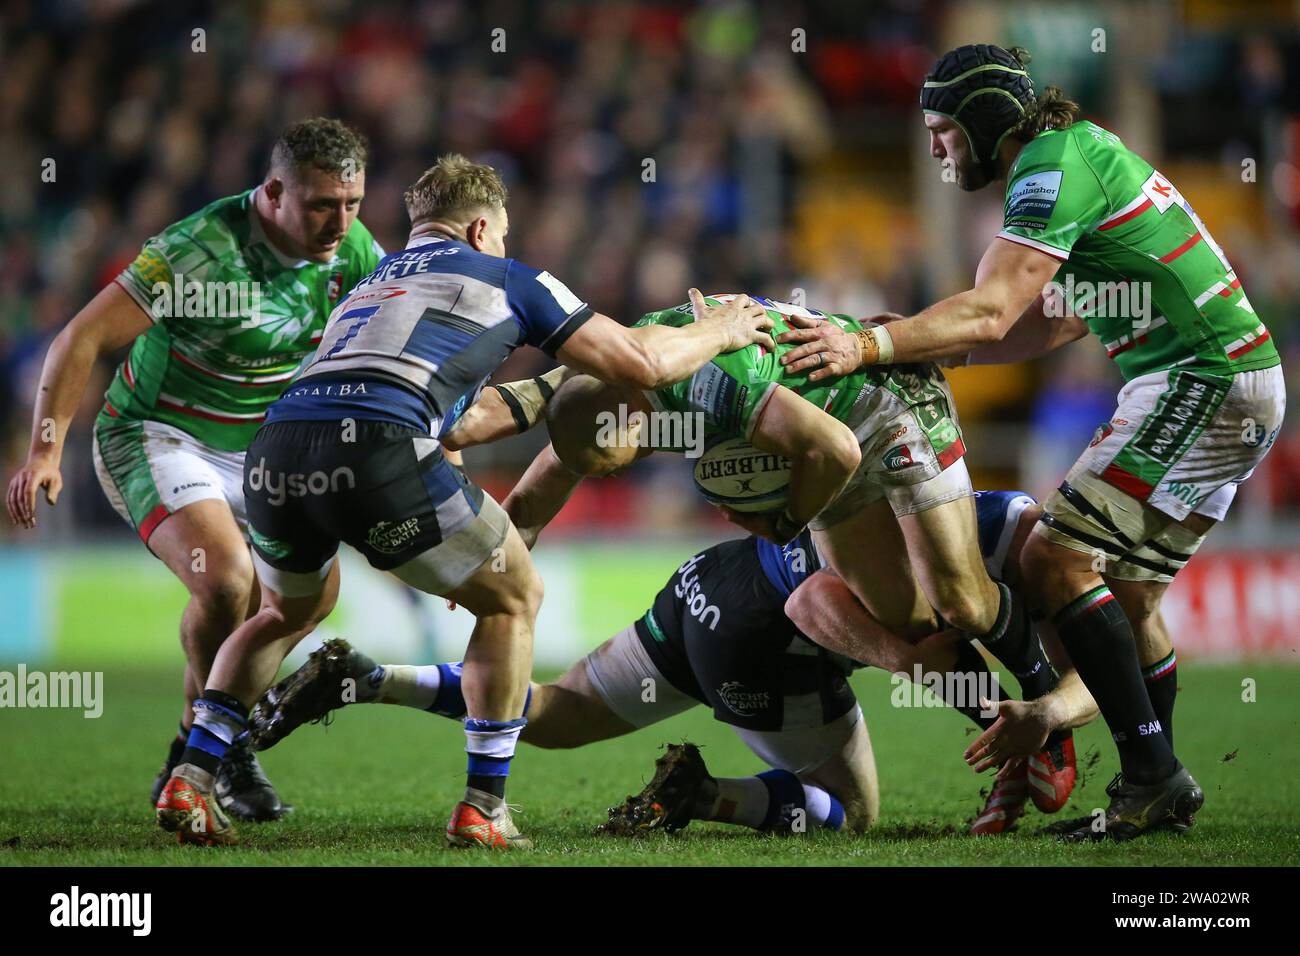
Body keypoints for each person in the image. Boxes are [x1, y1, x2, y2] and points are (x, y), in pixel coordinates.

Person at [152, 153, 775, 849]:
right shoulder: (512, 278)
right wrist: (724, 329)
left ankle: (192, 778)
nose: (505, 245)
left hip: (278, 446)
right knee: (512, 598)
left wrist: (470, 502)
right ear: (482, 229)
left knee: (281, 613)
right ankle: (484, 808)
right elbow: (644, 362)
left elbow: (460, 419)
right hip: (378, 450)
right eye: (503, 234)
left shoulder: (370, 283)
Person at [775, 43, 1287, 840]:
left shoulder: (1048, 167)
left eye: (944, 129)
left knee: (1053, 557)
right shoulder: (1079, 155)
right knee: (1137, 595)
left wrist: (869, 347)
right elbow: (1058, 318)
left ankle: (1152, 774)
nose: (936, 148)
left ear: (984, 122)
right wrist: (920, 343)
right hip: (1231, 376)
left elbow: (990, 309)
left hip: (1199, 377)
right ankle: (1154, 785)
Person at [247, 486, 1095, 837]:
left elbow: (1061, 669)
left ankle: (366, 677)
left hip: (702, 585)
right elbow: (818, 604)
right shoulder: (976, 545)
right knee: (852, 812)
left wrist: (1037, 717)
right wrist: (915, 664)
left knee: (551, 718)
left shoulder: (979, 521)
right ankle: (704, 792)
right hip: (763, 639)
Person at [5, 117, 383, 822]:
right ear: (273, 191)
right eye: (323, 204)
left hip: (261, 447)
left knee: (309, 597)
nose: (341, 222)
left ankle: (194, 740)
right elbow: (80, 336)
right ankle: (225, 751)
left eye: (353, 202)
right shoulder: (197, 251)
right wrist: (46, 451)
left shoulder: (355, 250)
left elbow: (392, 341)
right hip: (158, 434)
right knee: (228, 580)